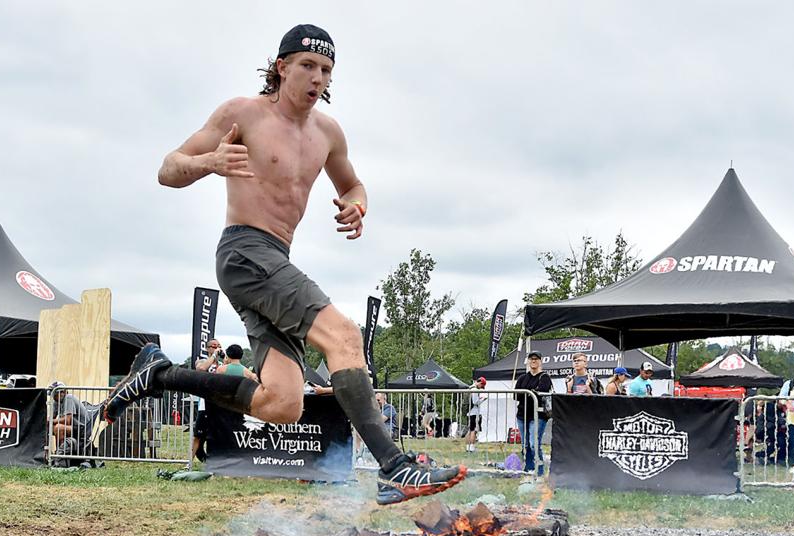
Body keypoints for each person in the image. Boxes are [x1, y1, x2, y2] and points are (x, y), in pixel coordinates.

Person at [95, 24, 465, 504]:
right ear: (281, 66)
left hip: (275, 259)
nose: (317, 78)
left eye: (326, 70)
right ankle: (393, 467)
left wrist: (358, 205)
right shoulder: (242, 113)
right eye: (308, 66)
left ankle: (158, 375)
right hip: (245, 251)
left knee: (283, 405)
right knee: (344, 335)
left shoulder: (327, 133)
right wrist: (210, 162)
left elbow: (353, 184)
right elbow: (168, 169)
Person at [515, 351, 553, 475]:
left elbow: (541, 392)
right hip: (522, 415)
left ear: (540, 361)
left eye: (536, 359)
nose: (534, 361)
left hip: (538, 416)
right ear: (528, 361)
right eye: (531, 359)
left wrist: (527, 393)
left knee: (534, 444)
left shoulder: (545, 377)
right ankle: (528, 470)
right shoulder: (522, 377)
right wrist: (530, 392)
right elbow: (516, 395)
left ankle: (539, 471)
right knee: (525, 445)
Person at [465, 377, 487, 452]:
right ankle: (472, 447)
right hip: (474, 412)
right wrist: (482, 399)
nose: (481, 388)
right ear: (480, 383)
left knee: (470, 430)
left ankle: (468, 447)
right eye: (482, 386)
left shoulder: (470, 388)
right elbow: (475, 402)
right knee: (474, 430)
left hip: (469, 412)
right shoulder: (475, 390)